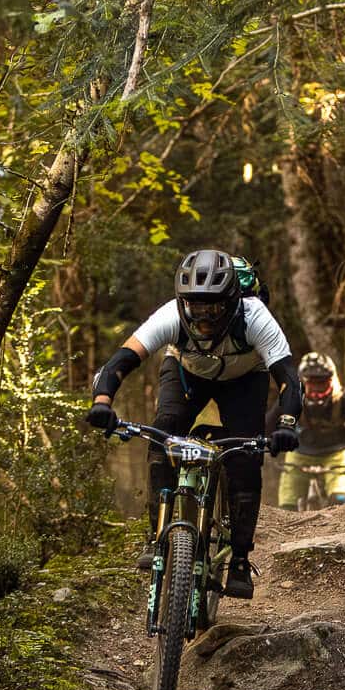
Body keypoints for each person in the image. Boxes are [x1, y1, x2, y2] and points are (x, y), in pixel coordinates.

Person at [86, 249, 302, 599]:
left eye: (212, 308)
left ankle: (240, 559)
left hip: (245, 378)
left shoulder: (255, 317)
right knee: (163, 432)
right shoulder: (170, 315)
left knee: (245, 459)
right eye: (193, 306)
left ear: (232, 302)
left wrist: (287, 424)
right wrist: (102, 403)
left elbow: (289, 380)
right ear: (181, 301)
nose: (202, 316)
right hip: (187, 372)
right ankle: (156, 534)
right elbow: (119, 362)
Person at [270, 350, 345, 509]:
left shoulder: (344, 399)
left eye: (322, 384)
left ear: (332, 381)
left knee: (341, 500)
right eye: (312, 385)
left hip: (337, 456)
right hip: (299, 454)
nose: (317, 392)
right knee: (287, 505)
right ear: (303, 382)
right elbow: (267, 425)